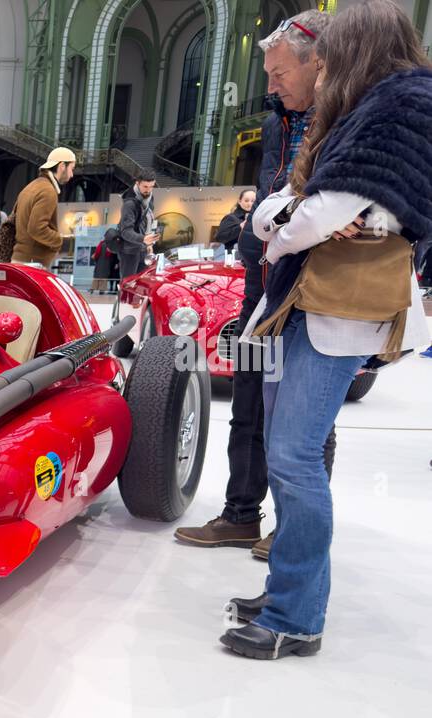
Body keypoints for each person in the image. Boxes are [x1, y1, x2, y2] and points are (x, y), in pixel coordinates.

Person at [221, 0, 432, 660]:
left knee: (292, 454)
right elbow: (289, 207)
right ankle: (289, 586)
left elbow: (318, 212)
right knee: (291, 453)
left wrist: (287, 229)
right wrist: (289, 223)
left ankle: (296, 614)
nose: (324, 64)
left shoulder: (400, 104)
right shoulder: (364, 106)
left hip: (332, 310)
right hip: (307, 306)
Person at [175, 8, 333, 553]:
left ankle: (291, 529)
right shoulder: (274, 122)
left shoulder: (343, 119)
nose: (270, 84)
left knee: (304, 416)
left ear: (319, 65)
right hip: (260, 288)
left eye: (280, 73)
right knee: (248, 402)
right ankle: (241, 513)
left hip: (312, 292)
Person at [10, 146, 75, 267]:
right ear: (62, 166)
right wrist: (59, 241)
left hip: (20, 258)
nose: (72, 174)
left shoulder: (31, 187)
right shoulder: (48, 191)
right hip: (33, 262)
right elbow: (36, 228)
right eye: (72, 168)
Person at [117, 168, 157, 279]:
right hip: (129, 251)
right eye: (145, 186)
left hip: (143, 249)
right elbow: (125, 231)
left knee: (142, 284)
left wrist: (148, 244)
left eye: (151, 186)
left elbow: (148, 222)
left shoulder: (150, 198)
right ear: (137, 183)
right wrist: (143, 239)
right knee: (129, 284)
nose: (148, 190)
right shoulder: (129, 204)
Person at [215, 188, 256, 253]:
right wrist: (240, 227)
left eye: (253, 201)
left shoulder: (257, 219)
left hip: (252, 257)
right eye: (246, 200)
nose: (250, 204)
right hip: (234, 257)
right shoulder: (230, 218)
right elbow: (220, 238)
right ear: (239, 201)